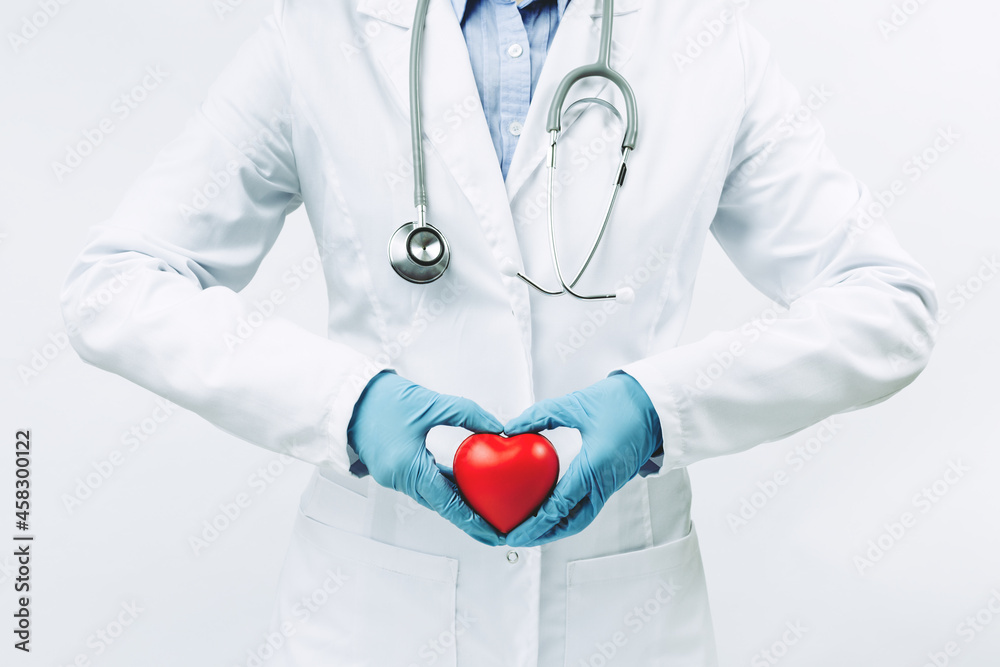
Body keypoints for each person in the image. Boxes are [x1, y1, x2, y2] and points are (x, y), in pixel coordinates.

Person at [60, 0, 938, 664]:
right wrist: (350, 406)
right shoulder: (320, 32)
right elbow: (116, 285)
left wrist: (657, 408)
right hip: (371, 618)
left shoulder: (702, 41)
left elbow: (886, 305)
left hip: (622, 618)